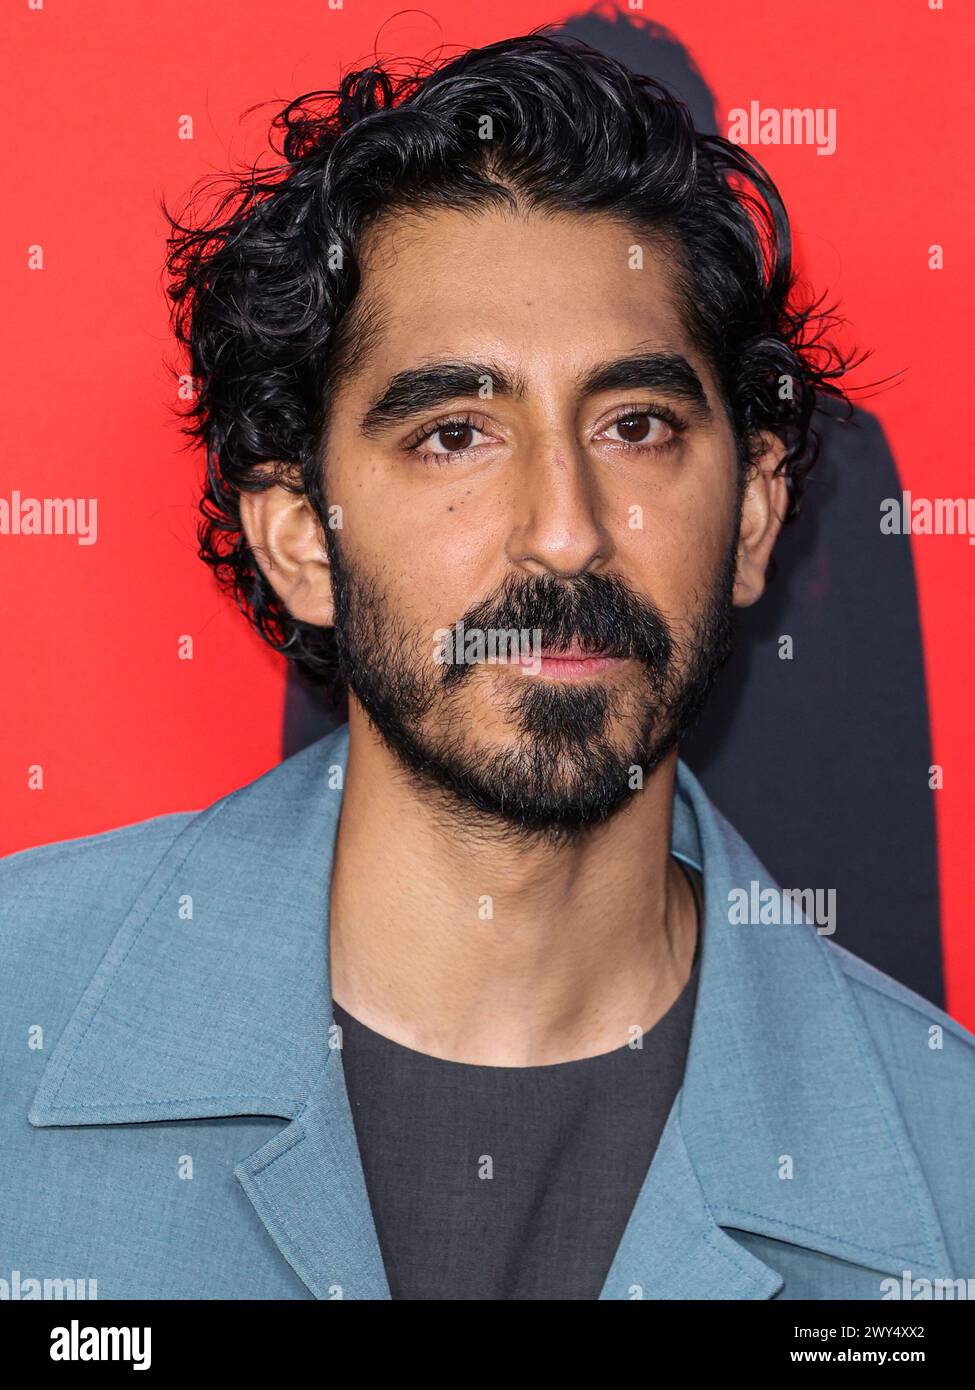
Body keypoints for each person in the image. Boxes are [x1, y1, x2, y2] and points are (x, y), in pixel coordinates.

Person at [3, 32, 973, 1302]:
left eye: (636, 427)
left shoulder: (949, 1167)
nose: (564, 526)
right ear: (300, 534)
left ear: (750, 518)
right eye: (455, 434)